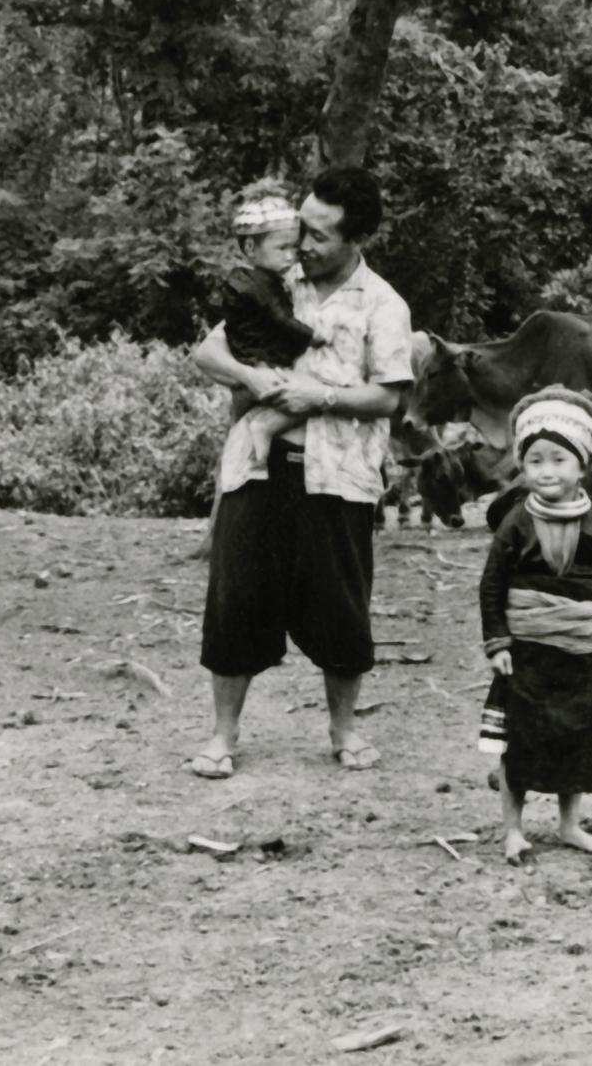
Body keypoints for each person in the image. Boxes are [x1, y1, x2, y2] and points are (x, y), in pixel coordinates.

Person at [185, 165, 415, 779]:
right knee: (235, 602)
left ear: (355, 238)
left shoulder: (384, 305)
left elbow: (390, 398)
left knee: (341, 607)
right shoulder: (274, 281)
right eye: (301, 230)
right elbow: (208, 351)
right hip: (258, 471)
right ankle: (222, 736)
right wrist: (253, 378)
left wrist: (320, 399)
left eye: (318, 236)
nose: (304, 245)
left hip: (338, 476)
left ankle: (344, 731)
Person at [478, 385, 592, 863]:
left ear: (583, 464)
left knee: (578, 739)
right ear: (523, 467)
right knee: (519, 742)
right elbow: (492, 584)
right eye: (535, 460)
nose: (547, 470)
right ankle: (513, 829)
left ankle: (569, 824)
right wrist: (498, 641)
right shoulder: (515, 522)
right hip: (527, 652)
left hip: (583, 652)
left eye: (559, 459)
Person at [216, 185, 329, 474]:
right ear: (251, 248)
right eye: (282, 248)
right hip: (261, 364)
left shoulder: (257, 281)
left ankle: (255, 455)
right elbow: (280, 320)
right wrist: (312, 336)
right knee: (315, 392)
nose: (292, 256)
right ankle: (262, 436)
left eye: (293, 246)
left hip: (258, 361)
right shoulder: (259, 286)